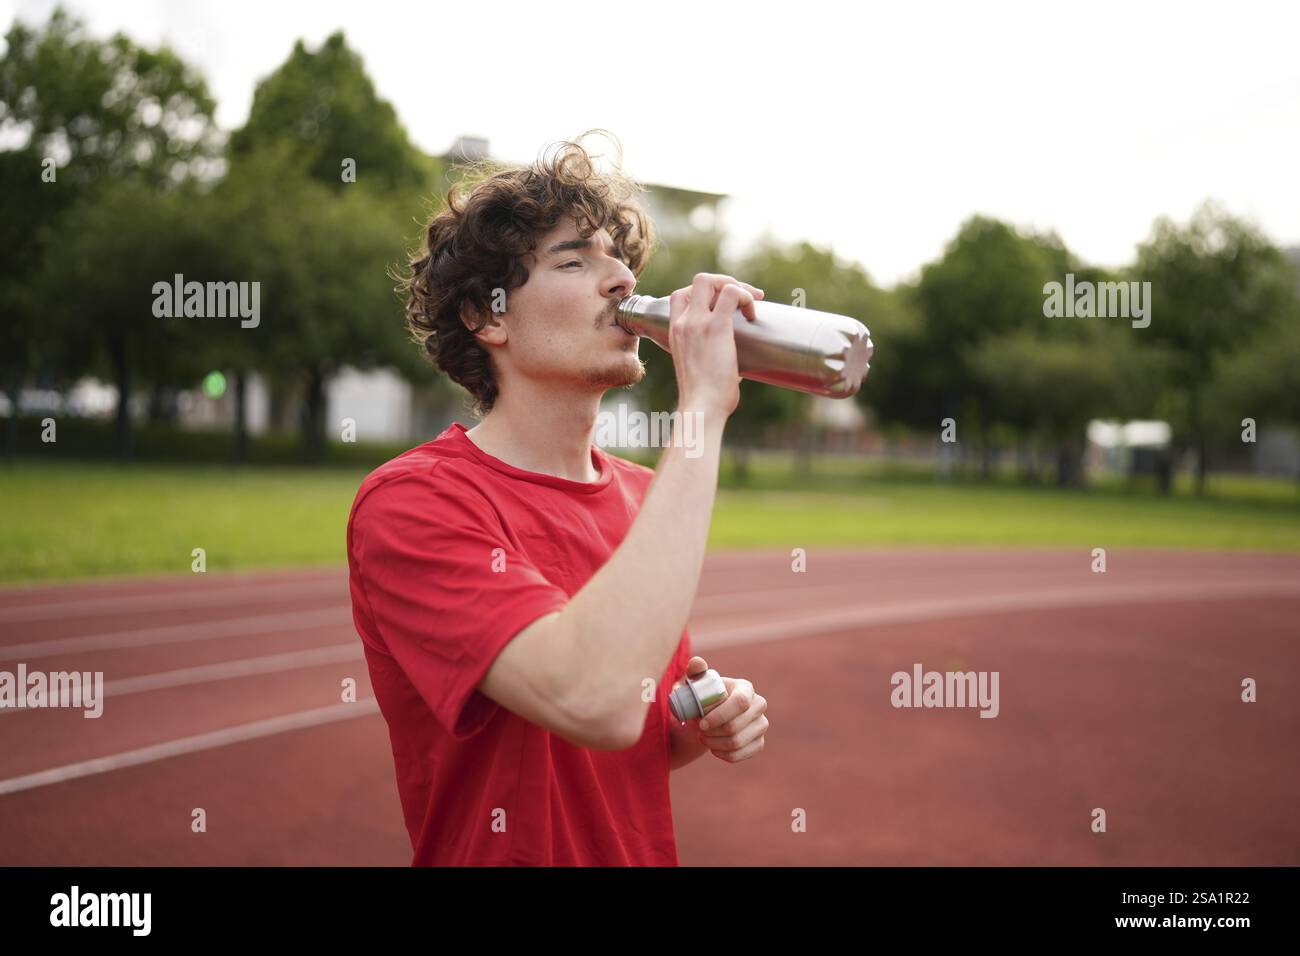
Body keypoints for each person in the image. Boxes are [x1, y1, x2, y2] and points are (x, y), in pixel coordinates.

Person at [346, 131, 769, 866]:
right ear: (488, 315)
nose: (620, 283)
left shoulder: (645, 495)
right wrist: (701, 409)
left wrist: (695, 722)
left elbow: (631, 720)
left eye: (620, 261)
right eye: (575, 261)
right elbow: (591, 699)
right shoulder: (414, 503)